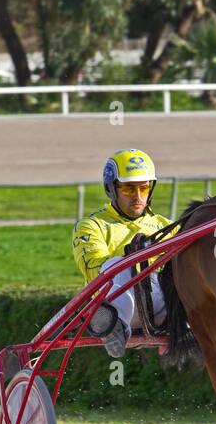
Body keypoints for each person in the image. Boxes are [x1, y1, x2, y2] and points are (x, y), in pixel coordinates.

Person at [72, 148, 172, 357]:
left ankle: (192, 325)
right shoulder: (92, 226)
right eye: (128, 189)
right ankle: (111, 326)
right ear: (111, 188)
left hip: (164, 309)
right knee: (116, 264)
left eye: (143, 189)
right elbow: (94, 271)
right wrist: (136, 258)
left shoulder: (168, 226)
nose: (137, 196)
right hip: (120, 302)